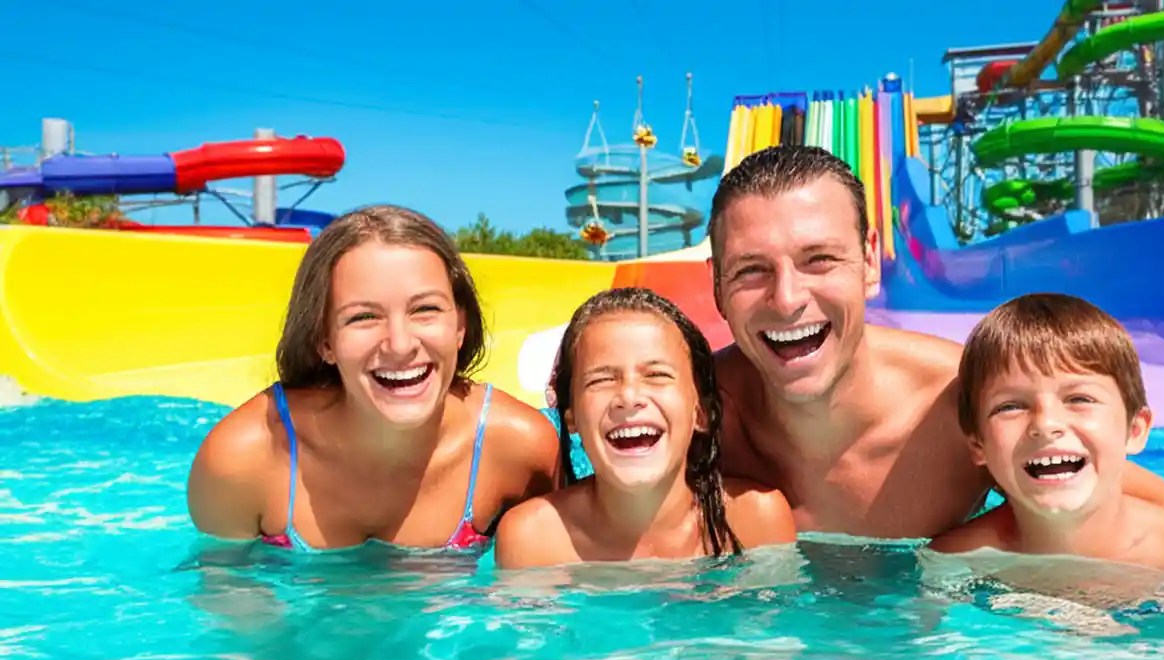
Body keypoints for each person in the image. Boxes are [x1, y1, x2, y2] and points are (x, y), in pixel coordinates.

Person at [706, 145, 1164, 539]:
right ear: (717, 288)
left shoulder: (963, 403)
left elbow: (1158, 519)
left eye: (819, 260)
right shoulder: (691, 415)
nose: (787, 299)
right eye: (751, 270)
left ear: (870, 262)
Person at [186, 205, 559, 552]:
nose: (400, 344)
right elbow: (229, 603)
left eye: (425, 309)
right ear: (324, 340)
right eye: (364, 317)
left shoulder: (519, 450)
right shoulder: (244, 459)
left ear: (460, 325)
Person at [924, 293, 1164, 575]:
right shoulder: (957, 560)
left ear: (1135, 430)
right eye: (1010, 406)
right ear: (978, 444)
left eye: (1079, 399)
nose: (1046, 424)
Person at [494, 287, 796, 569]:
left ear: (701, 413)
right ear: (571, 419)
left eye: (656, 375)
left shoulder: (754, 520)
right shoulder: (535, 539)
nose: (629, 397)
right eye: (601, 379)